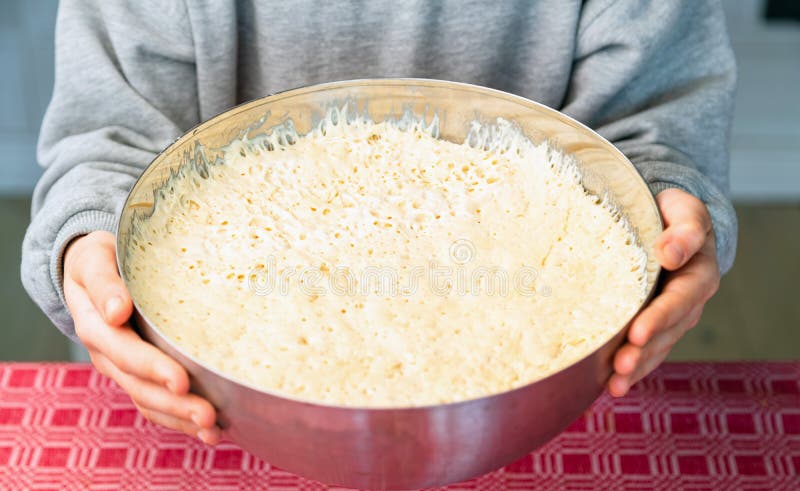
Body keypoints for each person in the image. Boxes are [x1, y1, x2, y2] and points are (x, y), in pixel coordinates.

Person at [22, 1, 736, 445]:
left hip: (553, 402)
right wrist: (89, 238)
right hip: (190, 400)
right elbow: (105, 136)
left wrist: (669, 201)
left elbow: (651, 129)